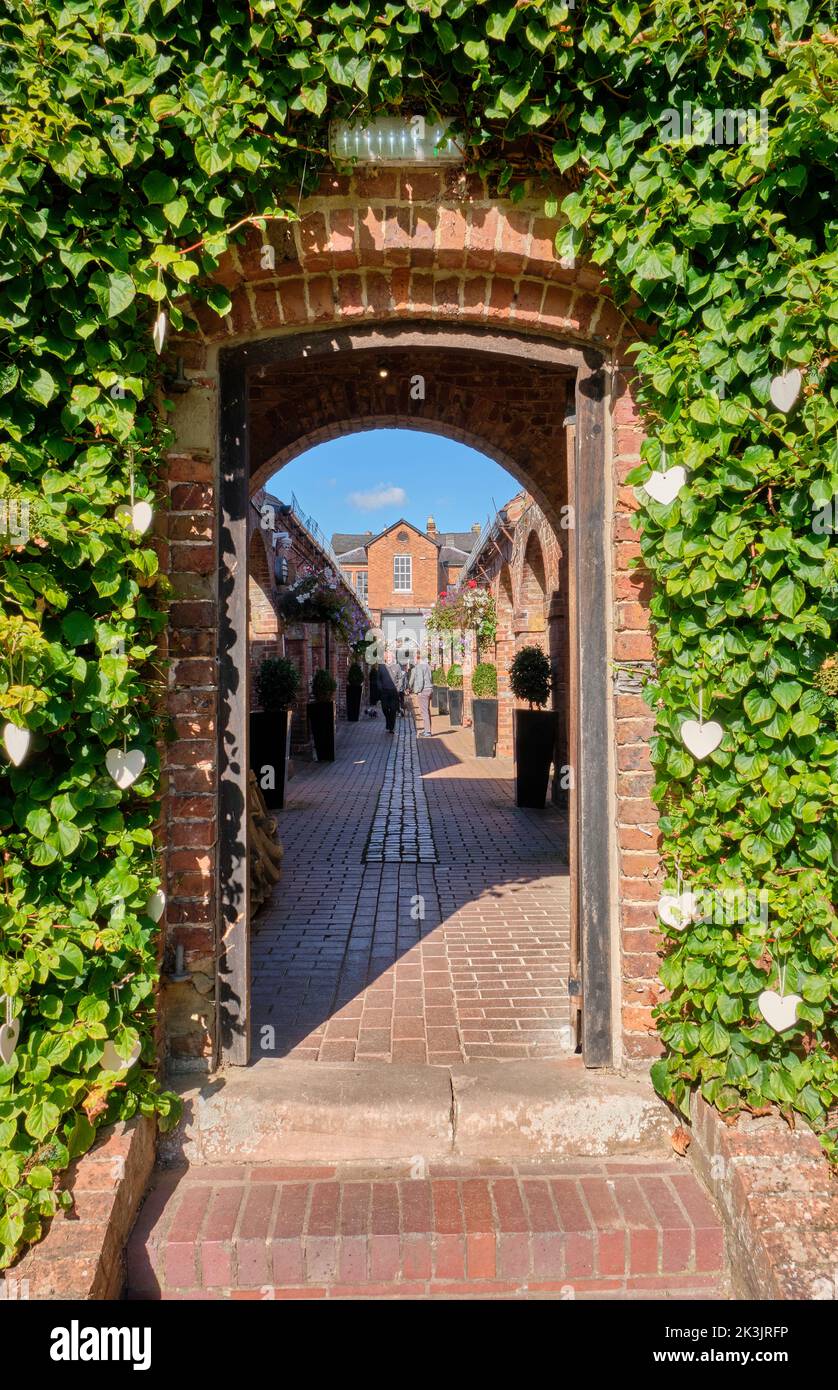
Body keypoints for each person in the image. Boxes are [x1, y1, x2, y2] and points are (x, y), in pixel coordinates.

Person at [410, 654, 433, 737]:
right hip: (429, 689)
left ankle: (427, 731)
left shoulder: (420, 666)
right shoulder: (427, 666)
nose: (414, 660)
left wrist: (418, 691)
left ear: (417, 658)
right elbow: (431, 678)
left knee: (424, 711)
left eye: (414, 658)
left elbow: (420, 681)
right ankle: (427, 729)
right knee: (427, 710)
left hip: (423, 691)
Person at [377, 654, 399, 734]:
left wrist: (398, 688)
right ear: (385, 658)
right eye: (388, 657)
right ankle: (388, 721)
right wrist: (380, 688)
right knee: (384, 708)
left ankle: (391, 727)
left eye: (391, 657)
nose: (389, 658)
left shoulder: (397, 666)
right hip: (384, 691)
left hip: (394, 691)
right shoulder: (381, 667)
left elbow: (400, 678)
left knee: (393, 709)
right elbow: (378, 679)